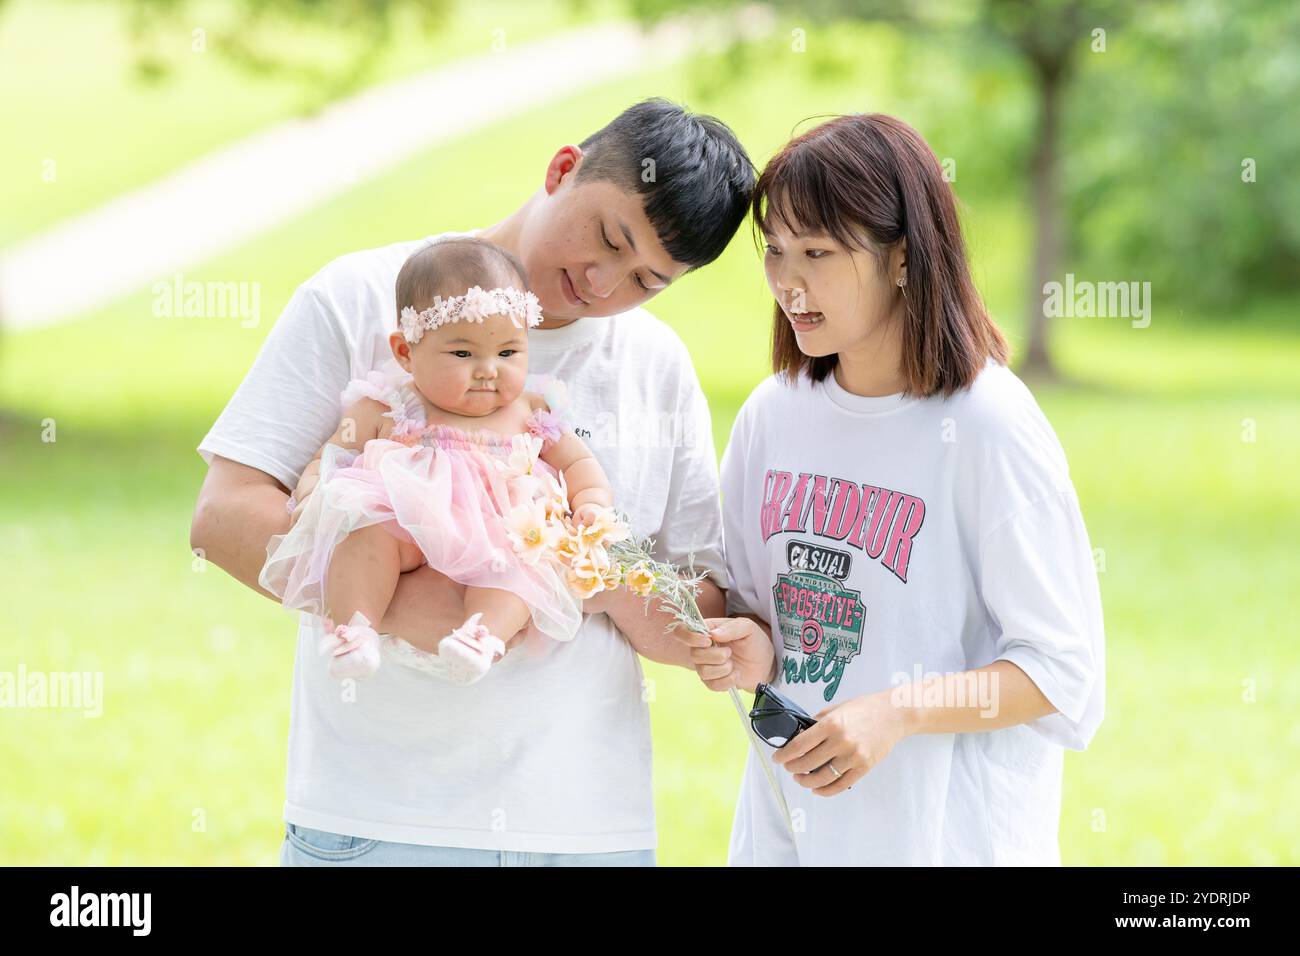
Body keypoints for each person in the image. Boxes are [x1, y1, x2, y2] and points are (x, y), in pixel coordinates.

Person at [190, 98, 756, 866]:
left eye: (646, 280)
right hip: (379, 822)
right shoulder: (362, 297)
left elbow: (702, 601)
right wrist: (399, 602)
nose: (601, 282)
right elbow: (224, 517)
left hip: (585, 829)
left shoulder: (656, 367)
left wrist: (574, 575)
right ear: (563, 169)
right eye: (608, 238)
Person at [682, 113, 1105, 865]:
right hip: (790, 833)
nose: (789, 282)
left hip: (947, 840)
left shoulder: (987, 425)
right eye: (775, 252)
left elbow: (1061, 672)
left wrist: (899, 712)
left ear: (903, 258)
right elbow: (761, 618)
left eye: (817, 252)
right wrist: (748, 645)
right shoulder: (772, 417)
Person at [261, 237, 625, 685]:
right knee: (366, 533)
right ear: (405, 352)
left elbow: (578, 463)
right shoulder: (391, 406)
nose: (488, 369)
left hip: (500, 533)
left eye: (508, 352)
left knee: (524, 568)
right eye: (463, 353)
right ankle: (354, 628)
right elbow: (335, 450)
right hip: (410, 523)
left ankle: (481, 636)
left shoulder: (532, 412)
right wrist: (313, 486)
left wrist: (591, 502)